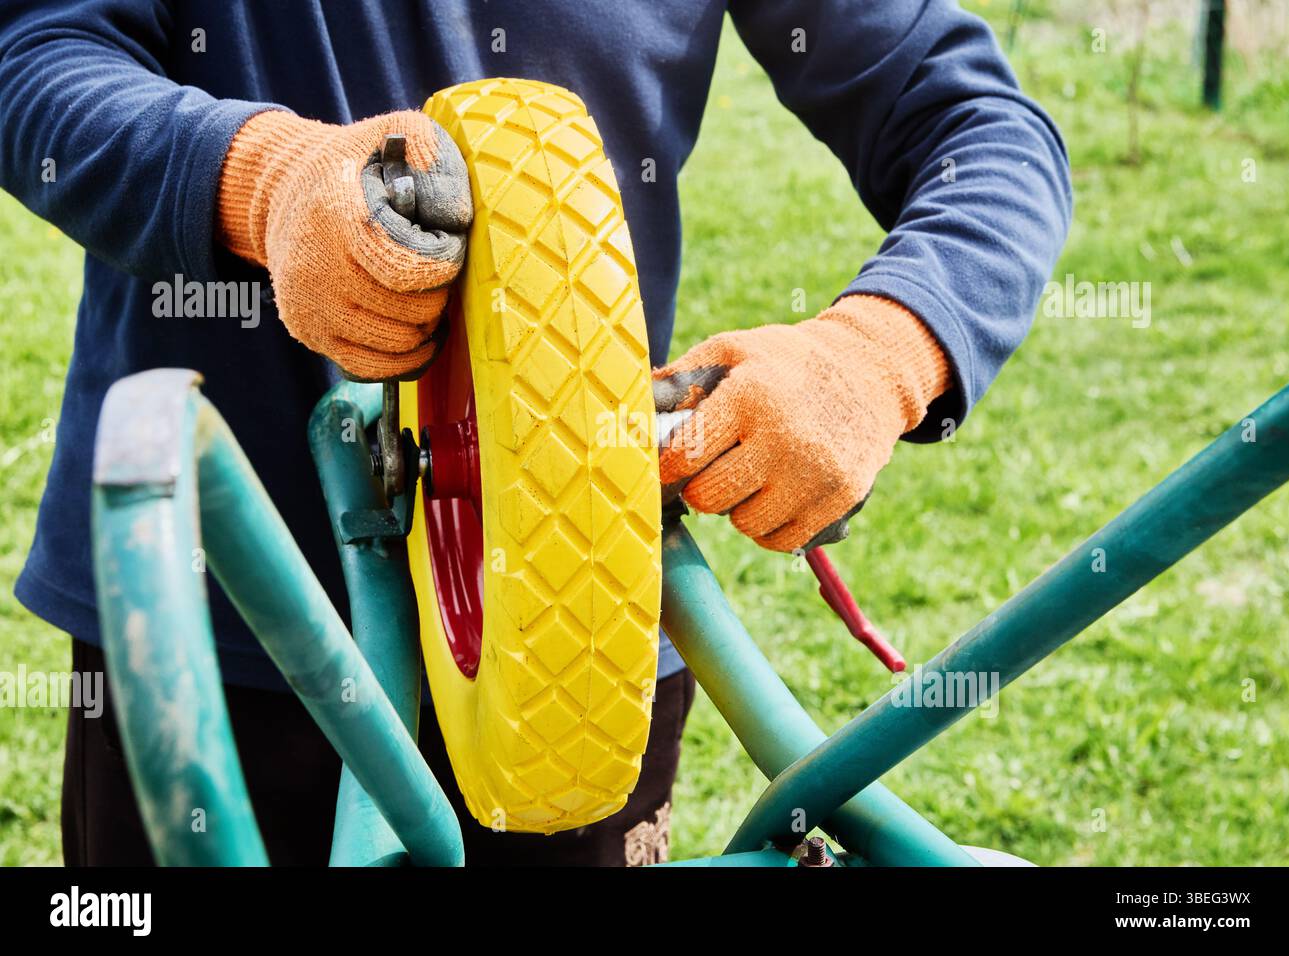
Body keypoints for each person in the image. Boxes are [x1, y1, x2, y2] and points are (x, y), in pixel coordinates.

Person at [0, 0, 1070, 866]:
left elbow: (975, 121)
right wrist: (263, 183)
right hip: (220, 625)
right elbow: (35, 51)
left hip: (572, 635)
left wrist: (880, 353)